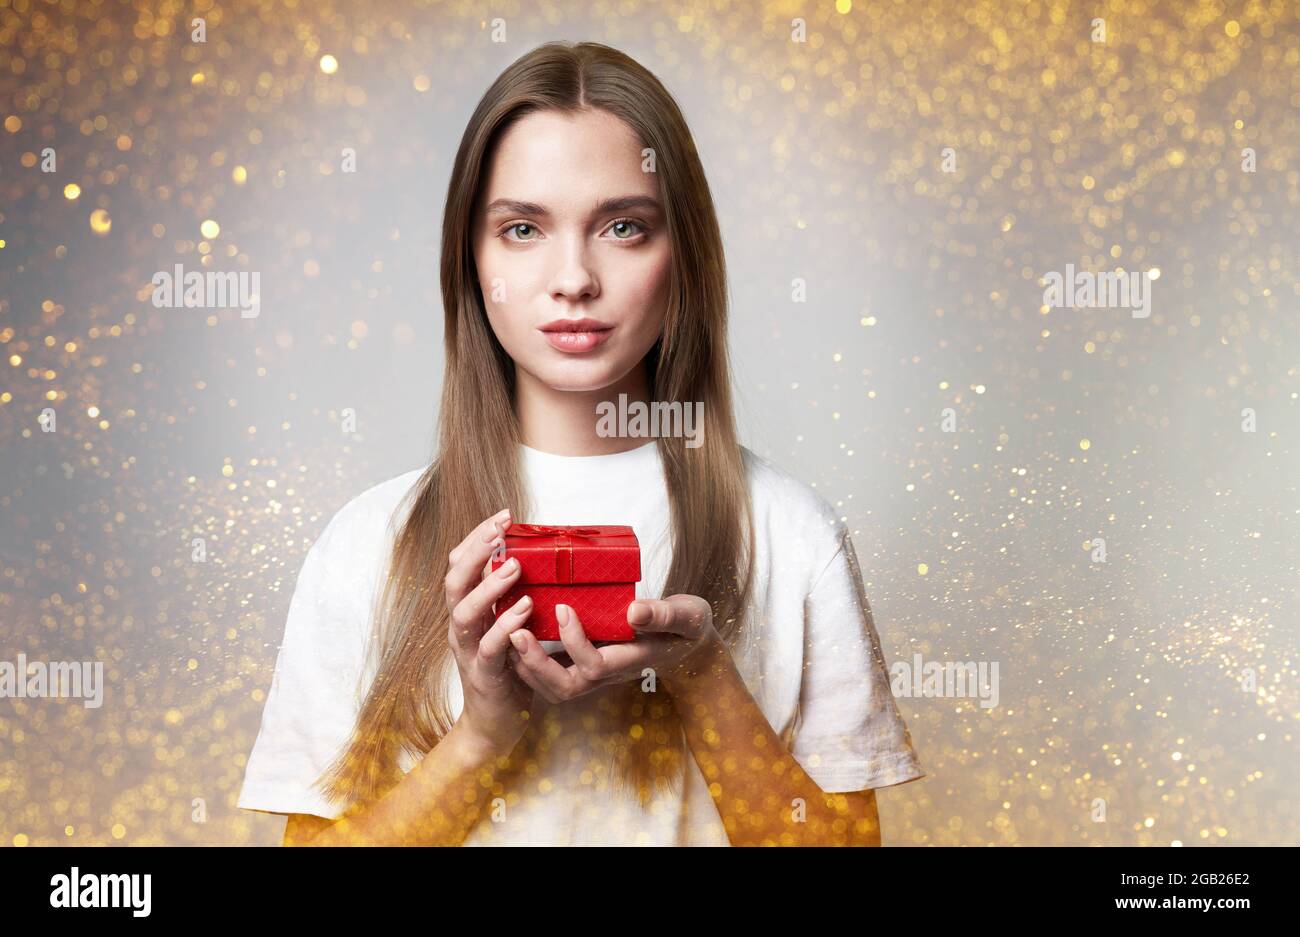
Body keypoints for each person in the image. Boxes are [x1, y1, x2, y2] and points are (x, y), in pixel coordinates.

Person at [236, 40, 924, 846]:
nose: (574, 278)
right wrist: (482, 736)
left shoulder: (794, 533)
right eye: (523, 228)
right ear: (471, 258)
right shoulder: (368, 543)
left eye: (624, 226)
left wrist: (701, 675)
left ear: (684, 258)